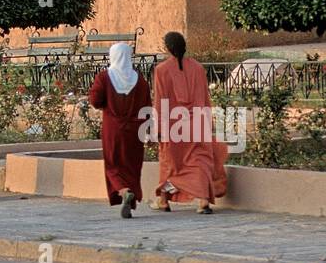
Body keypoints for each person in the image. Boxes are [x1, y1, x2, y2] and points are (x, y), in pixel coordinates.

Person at [151, 31, 228, 213]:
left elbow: (160, 101)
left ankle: (164, 201)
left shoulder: (161, 70)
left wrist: (159, 127)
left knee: (171, 166)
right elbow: (204, 98)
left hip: (173, 126)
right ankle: (203, 201)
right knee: (199, 163)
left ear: (168, 48)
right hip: (198, 124)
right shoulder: (198, 68)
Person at [87, 42, 152, 218]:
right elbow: (147, 107)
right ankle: (130, 202)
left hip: (113, 129)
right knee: (131, 166)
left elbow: (95, 100)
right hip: (135, 131)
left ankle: (124, 192)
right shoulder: (140, 80)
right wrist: (149, 131)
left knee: (113, 165)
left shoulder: (104, 77)